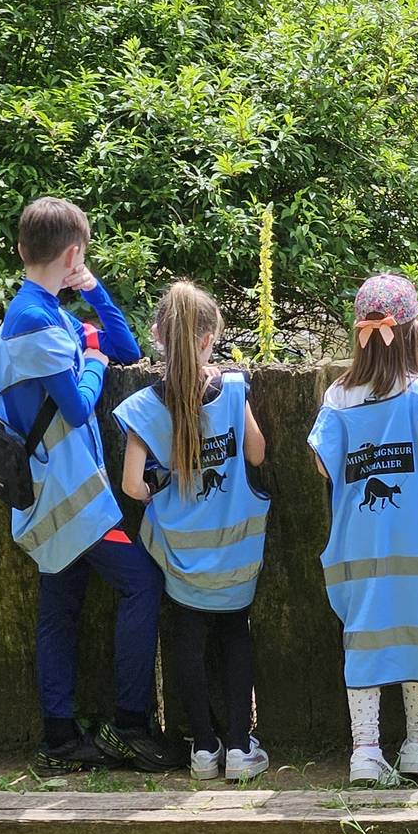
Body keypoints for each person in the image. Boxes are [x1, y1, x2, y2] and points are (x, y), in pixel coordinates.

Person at [0, 198, 176, 771]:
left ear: (22, 251)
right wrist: (90, 354)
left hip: (54, 498)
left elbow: (128, 348)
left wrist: (95, 292)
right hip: (73, 503)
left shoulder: (43, 310)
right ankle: (130, 727)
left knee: (59, 610)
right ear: (72, 252)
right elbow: (79, 402)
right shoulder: (33, 322)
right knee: (142, 585)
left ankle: (61, 739)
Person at [309, 275, 418, 785]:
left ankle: (364, 751)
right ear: (411, 332)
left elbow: (324, 467)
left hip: (363, 546)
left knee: (365, 640)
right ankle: (417, 748)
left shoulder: (339, 397)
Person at [116, 281, 270, 782]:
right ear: (209, 339)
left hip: (182, 557)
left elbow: (132, 485)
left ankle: (203, 751)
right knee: (235, 640)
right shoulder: (234, 390)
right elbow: (256, 453)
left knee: (186, 639)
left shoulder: (144, 407)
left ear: (158, 336)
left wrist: (165, 486)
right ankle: (240, 749)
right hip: (236, 554)